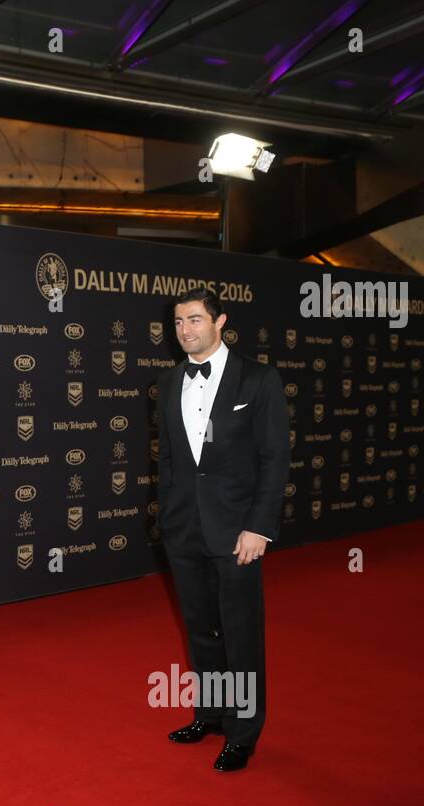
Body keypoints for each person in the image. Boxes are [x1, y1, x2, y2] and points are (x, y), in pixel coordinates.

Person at [155, 288, 289, 772]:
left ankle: (243, 732)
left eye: (194, 319)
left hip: (237, 533)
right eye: (178, 322)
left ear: (220, 321)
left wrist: (259, 527)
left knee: (241, 634)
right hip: (184, 530)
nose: (185, 330)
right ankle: (211, 714)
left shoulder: (257, 379)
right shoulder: (170, 383)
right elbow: (170, 460)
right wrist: (168, 516)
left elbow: (275, 460)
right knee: (202, 631)